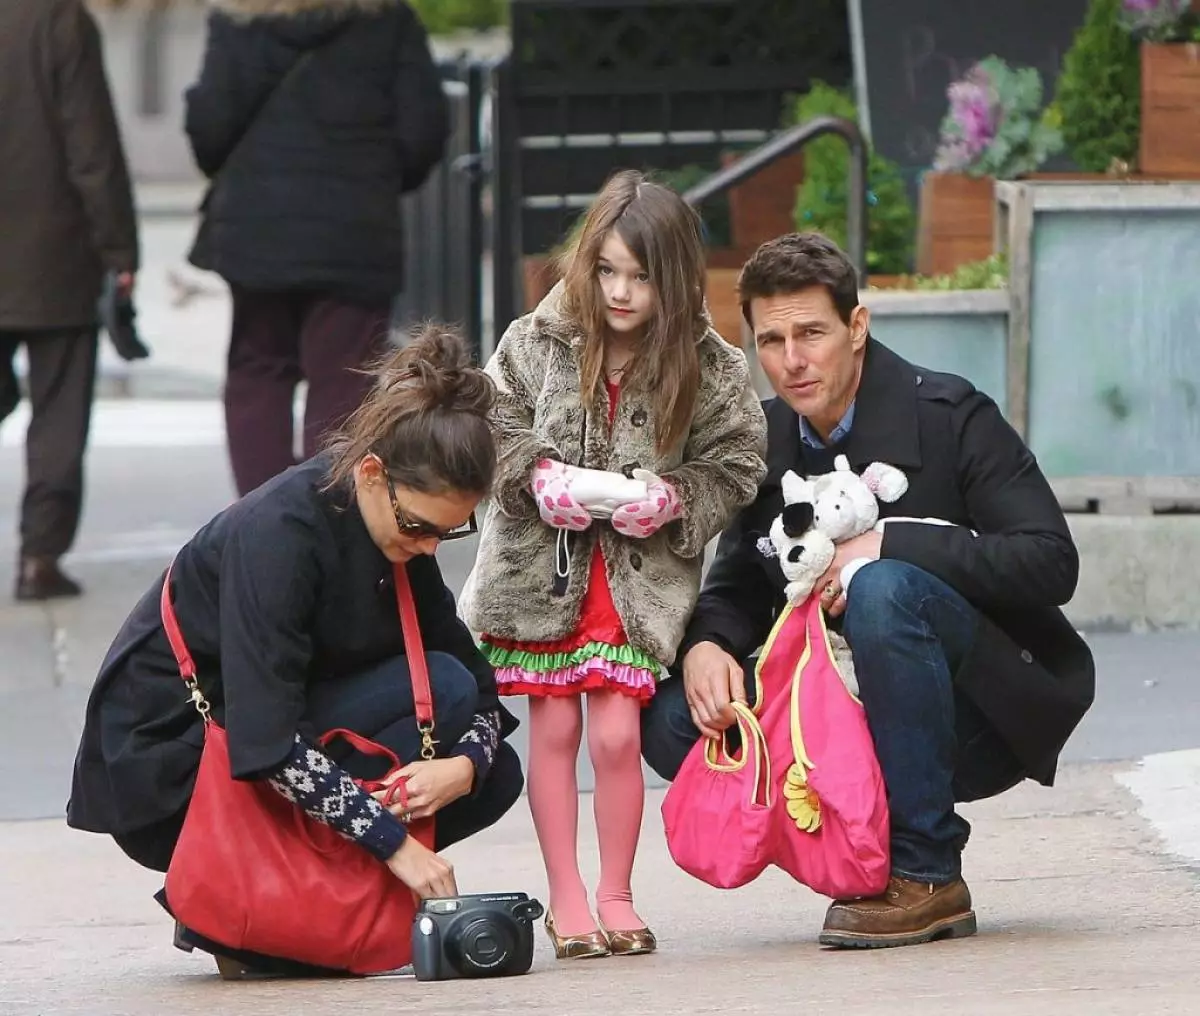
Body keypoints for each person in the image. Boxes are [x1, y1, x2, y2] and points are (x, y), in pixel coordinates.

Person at [641, 232, 1096, 949]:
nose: (792, 360)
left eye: (813, 333)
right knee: (676, 721)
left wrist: (889, 542)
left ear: (857, 327)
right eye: (772, 339)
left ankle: (928, 873)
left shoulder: (950, 414)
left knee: (885, 588)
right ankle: (855, 849)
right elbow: (735, 582)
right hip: (840, 713)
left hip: (978, 717)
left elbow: (1050, 563)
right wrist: (705, 645)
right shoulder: (765, 438)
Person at [66, 325, 523, 977]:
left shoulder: (399, 531)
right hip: (172, 770)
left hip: (273, 729)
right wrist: (395, 844)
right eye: (420, 526)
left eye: (451, 534)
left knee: (493, 765)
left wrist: (465, 769)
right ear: (371, 474)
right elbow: (268, 739)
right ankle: (240, 907)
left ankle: (297, 904)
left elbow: (480, 691)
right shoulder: (280, 533)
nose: (429, 548)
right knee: (440, 696)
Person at [460, 170, 768, 959]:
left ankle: (617, 892)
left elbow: (737, 462)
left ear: (675, 279)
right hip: (542, 575)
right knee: (555, 727)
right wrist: (535, 477)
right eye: (607, 272)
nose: (622, 293)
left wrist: (673, 499)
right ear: (585, 264)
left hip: (638, 583)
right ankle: (568, 897)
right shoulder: (535, 339)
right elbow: (490, 421)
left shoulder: (708, 363)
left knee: (618, 738)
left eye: (641, 277)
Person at [183, 0, 451, 497]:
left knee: (258, 369)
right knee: (346, 374)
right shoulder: (385, 20)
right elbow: (424, 129)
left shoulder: (240, 19)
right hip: (354, 227)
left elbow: (209, 131)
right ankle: (329, 516)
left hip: (257, 229)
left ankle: (263, 520)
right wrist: (377, 174)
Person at [0, 0, 138, 601]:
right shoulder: (56, 18)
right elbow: (91, 143)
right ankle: (39, 555)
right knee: (58, 407)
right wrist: (118, 248)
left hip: (44, 247)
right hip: (51, 247)